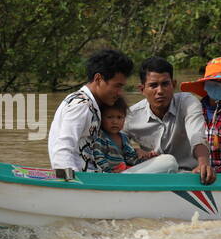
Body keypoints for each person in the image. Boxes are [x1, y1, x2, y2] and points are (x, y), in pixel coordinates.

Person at [48, 49, 177, 173]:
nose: (120, 93)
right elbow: (63, 147)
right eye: (117, 86)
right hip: (86, 181)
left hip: (98, 177)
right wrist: (71, 183)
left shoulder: (87, 102)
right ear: (98, 79)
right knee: (169, 162)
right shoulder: (81, 105)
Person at [123, 56, 215, 184]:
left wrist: (203, 163)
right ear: (142, 89)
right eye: (153, 86)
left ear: (174, 84)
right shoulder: (131, 116)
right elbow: (115, 143)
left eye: (165, 84)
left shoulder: (187, 102)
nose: (160, 91)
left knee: (169, 161)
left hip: (189, 175)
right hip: (153, 177)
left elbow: (197, 135)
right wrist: (134, 151)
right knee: (167, 161)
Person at [83, 98, 143, 172]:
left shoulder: (124, 137)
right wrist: (110, 172)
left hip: (124, 172)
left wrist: (142, 160)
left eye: (119, 117)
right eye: (109, 117)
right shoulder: (100, 137)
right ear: (100, 118)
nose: (115, 121)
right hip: (109, 175)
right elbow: (98, 158)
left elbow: (131, 158)